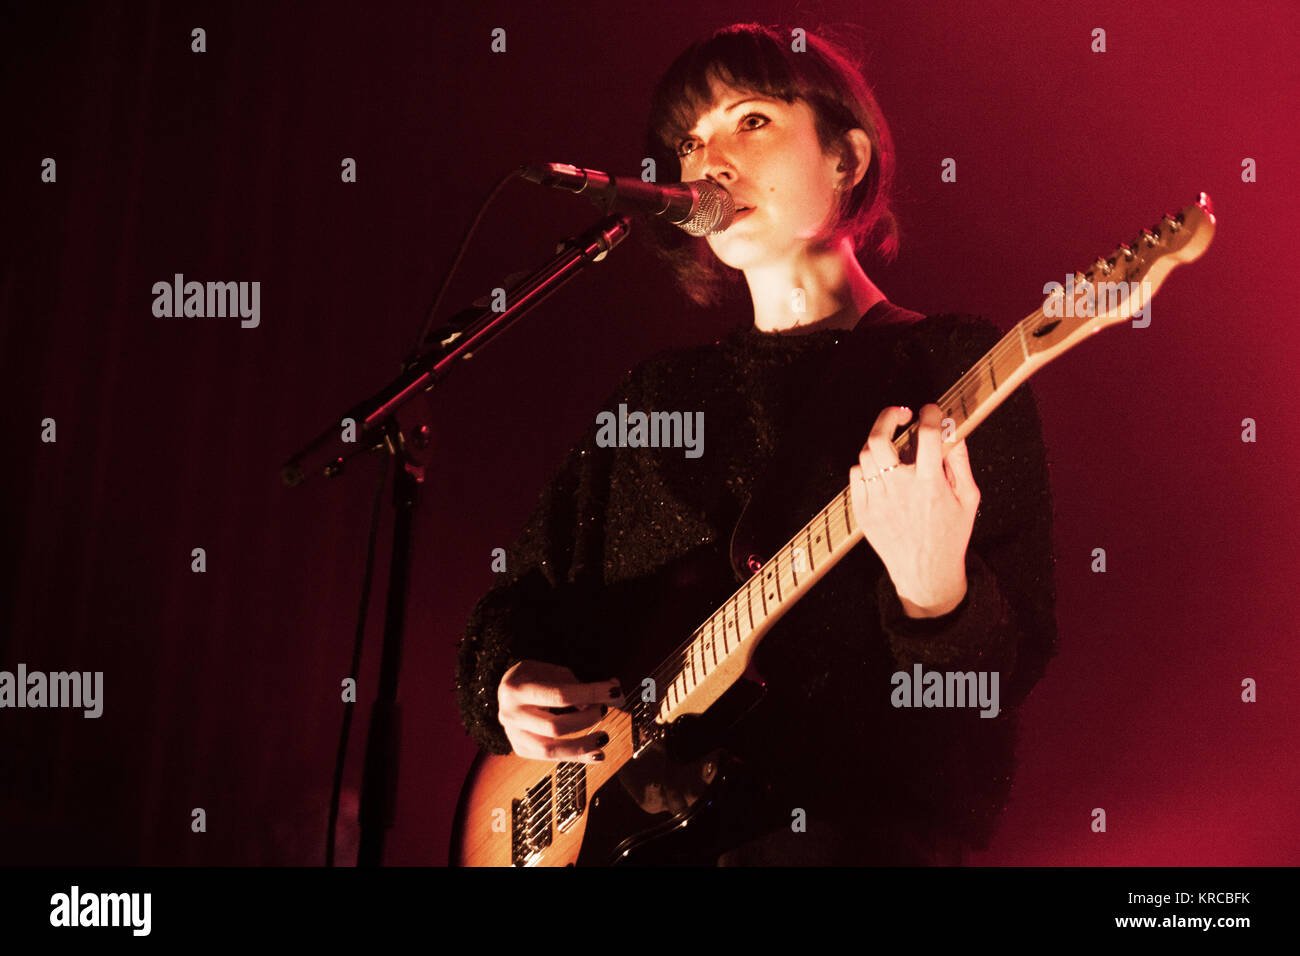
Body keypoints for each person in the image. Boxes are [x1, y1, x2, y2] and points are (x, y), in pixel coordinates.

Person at [454, 22, 1058, 865]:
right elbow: (520, 601)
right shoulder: (659, 397)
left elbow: (998, 681)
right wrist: (507, 688)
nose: (708, 163)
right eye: (689, 142)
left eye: (751, 121)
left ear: (847, 159)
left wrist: (937, 598)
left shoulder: (948, 363)